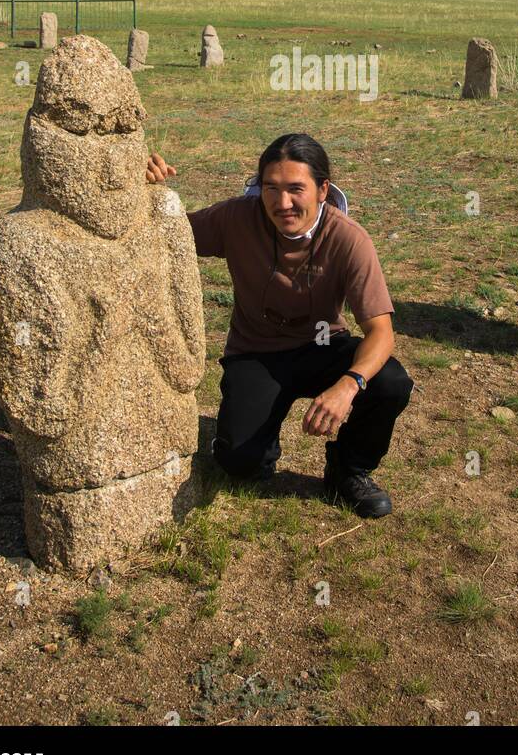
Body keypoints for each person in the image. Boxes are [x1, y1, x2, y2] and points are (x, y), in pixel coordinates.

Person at [146, 133, 413, 518]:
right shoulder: (237, 218)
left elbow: (381, 332)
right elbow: (169, 236)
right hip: (257, 351)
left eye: (295, 189)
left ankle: (348, 469)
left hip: (322, 344)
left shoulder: (348, 239)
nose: (282, 203)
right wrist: (149, 192)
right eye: (271, 188)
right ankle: (255, 442)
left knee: (390, 381)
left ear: (323, 189)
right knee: (240, 464)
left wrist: (347, 385)